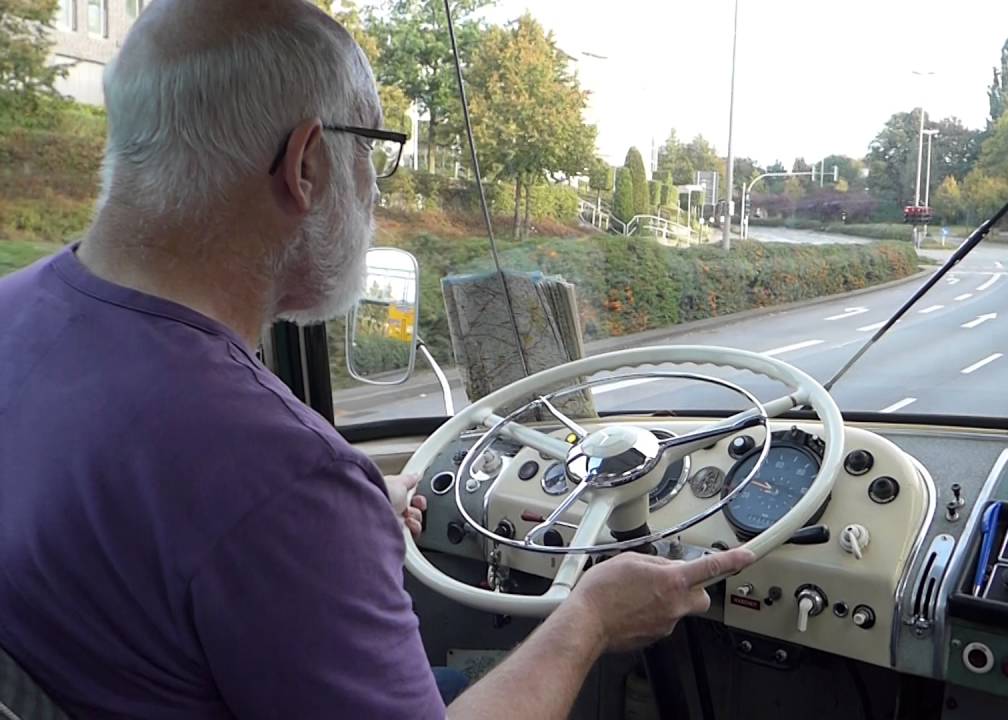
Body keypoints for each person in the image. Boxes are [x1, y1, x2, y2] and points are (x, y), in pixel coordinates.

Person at [0, 1, 753, 718]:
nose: (375, 194)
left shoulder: (15, 313)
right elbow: (255, 497)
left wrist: (344, 518)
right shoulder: (282, 478)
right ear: (307, 165)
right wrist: (589, 617)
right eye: (373, 151)